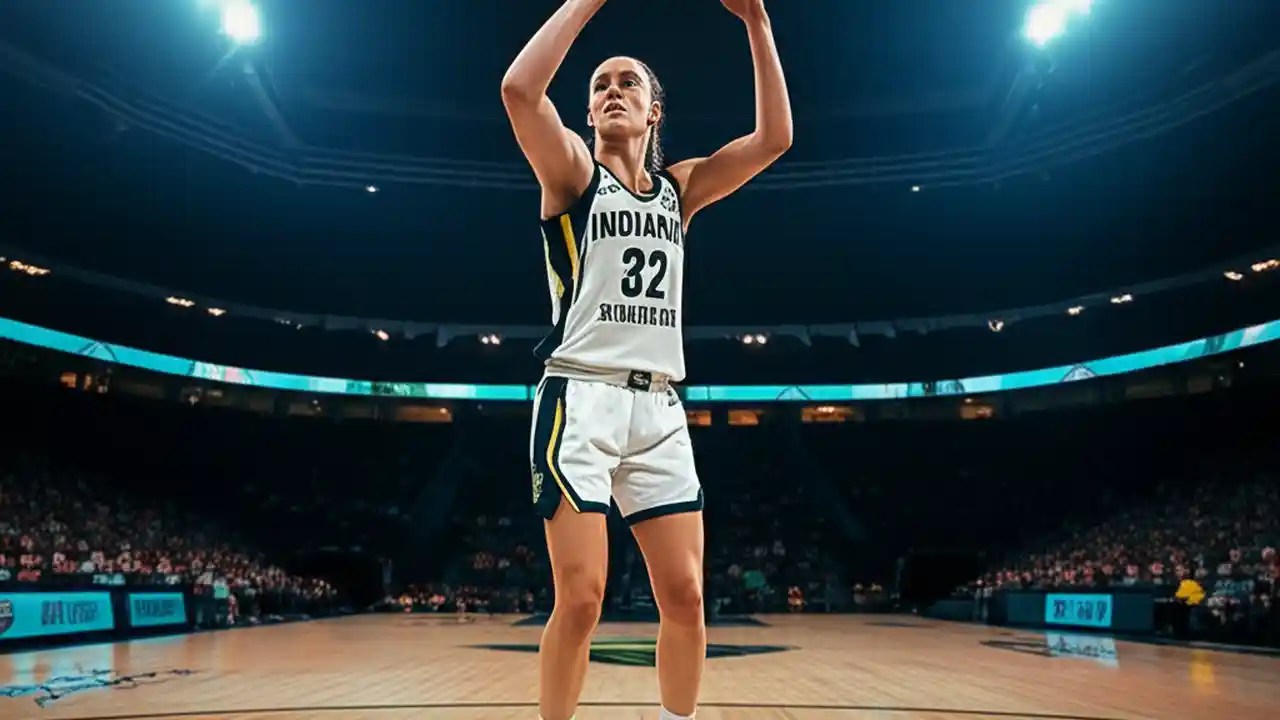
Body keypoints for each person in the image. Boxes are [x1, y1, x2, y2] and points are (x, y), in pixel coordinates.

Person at [501, 1, 791, 719]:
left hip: (659, 407)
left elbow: (775, 139)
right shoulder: (571, 174)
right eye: (600, 84)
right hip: (580, 399)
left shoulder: (680, 190)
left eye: (628, 82)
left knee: (688, 596)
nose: (611, 91)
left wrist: (756, 22)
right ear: (589, 112)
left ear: (654, 109)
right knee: (582, 597)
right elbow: (516, 91)